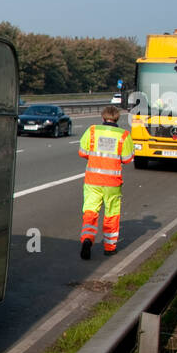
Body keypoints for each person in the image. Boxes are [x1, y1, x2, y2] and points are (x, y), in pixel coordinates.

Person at [78, 105, 134, 258]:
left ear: (102, 118)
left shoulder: (92, 130)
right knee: (111, 214)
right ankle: (109, 247)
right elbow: (128, 159)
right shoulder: (124, 135)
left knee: (90, 212)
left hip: (92, 180)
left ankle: (87, 239)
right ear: (117, 118)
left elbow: (82, 152)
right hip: (112, 182)